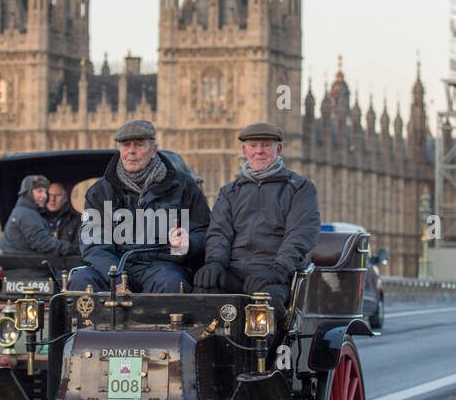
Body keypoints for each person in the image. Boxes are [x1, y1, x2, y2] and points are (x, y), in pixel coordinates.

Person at [193, 122, 320, 318]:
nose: (259, 151)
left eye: (266, 145)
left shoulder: (300, 188)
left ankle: (260, 350)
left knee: (262, 310)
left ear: (279, 149)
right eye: (253, 146)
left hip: (275, 276)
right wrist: (215, 262)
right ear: (245, 150)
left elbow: (300, 235)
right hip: (235, 272)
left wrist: (278, 270)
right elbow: (219, 232)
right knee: (201, 297)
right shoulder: (230, 192)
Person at [68, 119, 210, 293]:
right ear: (119, 149)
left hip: (163, 267)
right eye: (126, 145)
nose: (131, 151)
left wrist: (188, 244)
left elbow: (204, 231)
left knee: (171, 284)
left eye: (139, 145)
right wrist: (118, 280)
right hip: (115, 267)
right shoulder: (100, 192)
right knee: (81, 281)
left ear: (153, 151)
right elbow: (93, 244)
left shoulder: (183, 186)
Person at [0, 174, 77, 262]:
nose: (44, 196)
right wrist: (74, 249)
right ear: (28, 192)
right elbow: (44, 243)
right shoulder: (26, 214)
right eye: (39, 191)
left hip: (26, 265)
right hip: (26, 269)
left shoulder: (27, 212)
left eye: (45, 192)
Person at [45, 181, 82, 248]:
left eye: (57, 195)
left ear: (65, 198)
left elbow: (79, 249)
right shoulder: (35, 218)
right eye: (49, 195)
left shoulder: (77, 220)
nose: (53, 199)